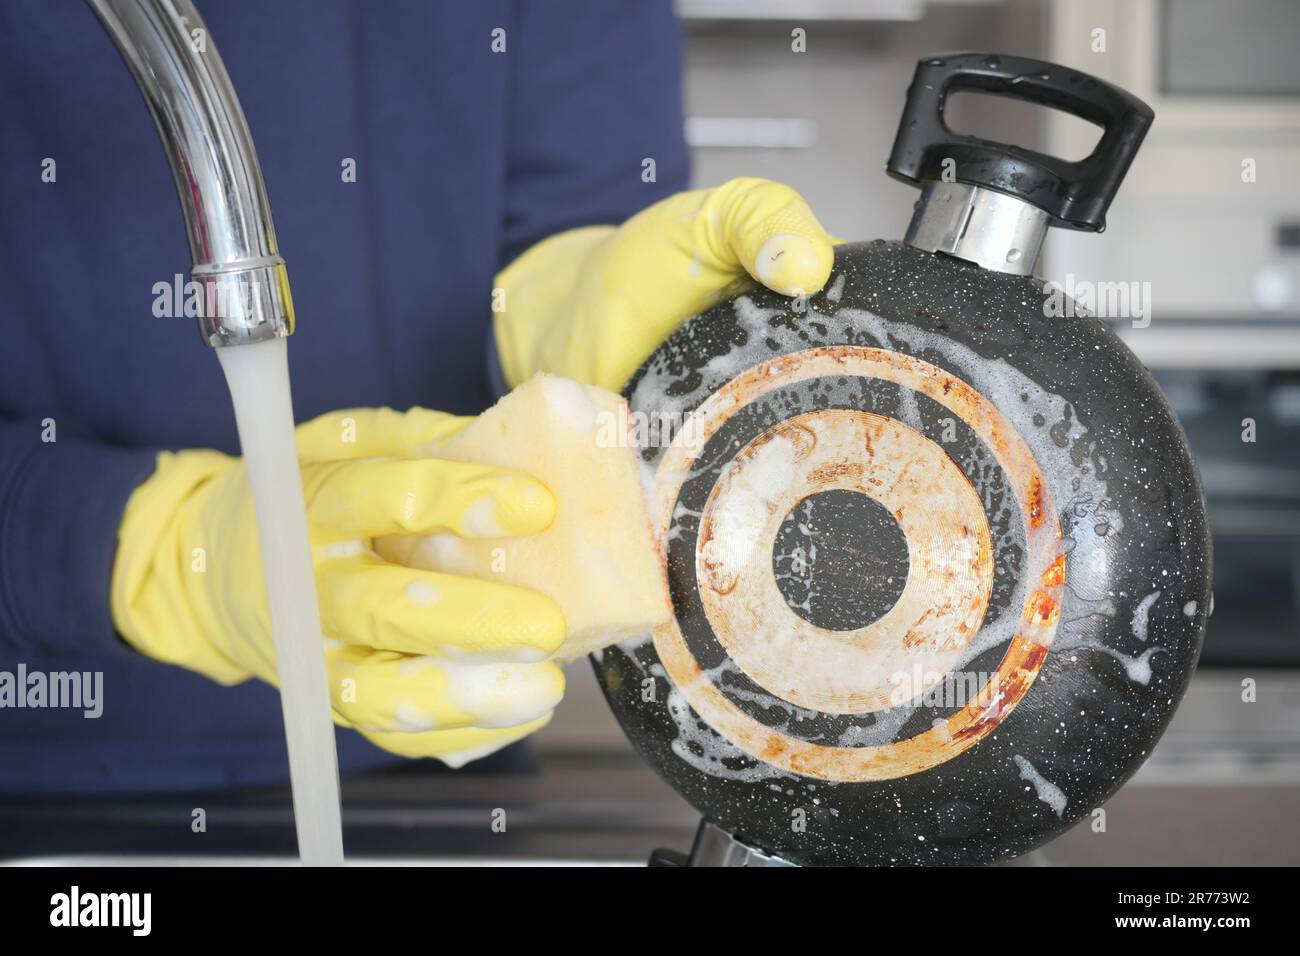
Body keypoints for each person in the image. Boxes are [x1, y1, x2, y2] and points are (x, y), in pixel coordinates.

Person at [0, 0, 834, 794]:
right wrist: (146, 555)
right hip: (33, 760)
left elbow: (578, 190)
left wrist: (552, 308)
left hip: (436, 744)